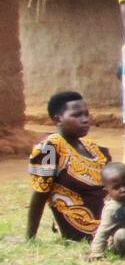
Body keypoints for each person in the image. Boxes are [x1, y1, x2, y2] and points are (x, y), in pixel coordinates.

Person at [26, 91, 111, 242]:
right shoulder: (49, 148)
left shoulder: (92, 147)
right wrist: (30, 237)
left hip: (110, 217)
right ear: (58, 119)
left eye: (86, 114)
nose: (85, 120)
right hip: (85, 227)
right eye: (77, 115)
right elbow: (39, 194)